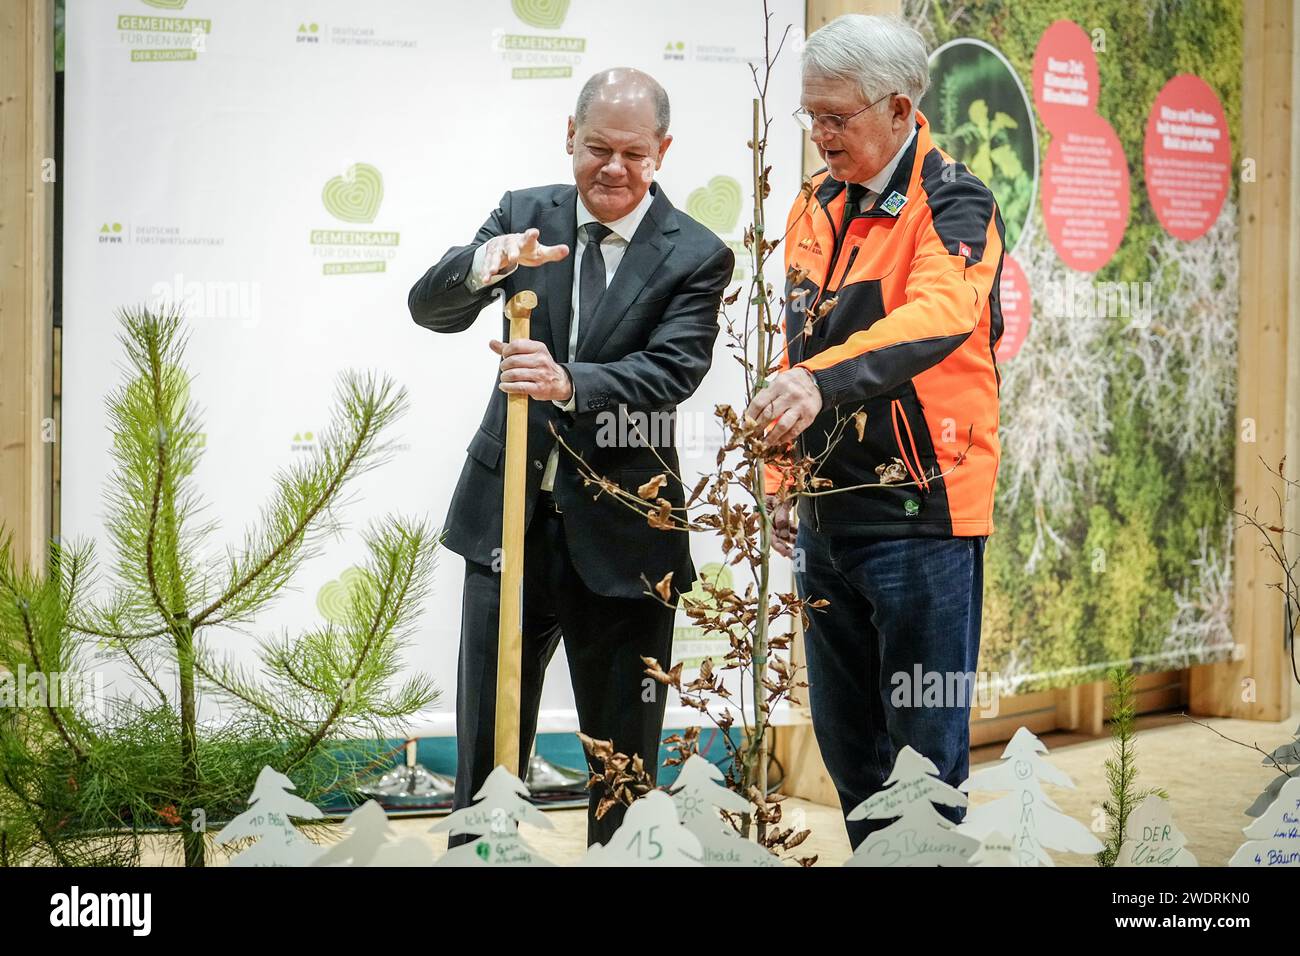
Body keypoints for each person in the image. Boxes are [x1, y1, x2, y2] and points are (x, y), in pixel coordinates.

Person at [408, 67, 734, 846]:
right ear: (569, 137)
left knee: (621, 767)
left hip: (626, 538)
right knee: (489, 757)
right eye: (596, 148)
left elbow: (674, 371)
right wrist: (490, 261)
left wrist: (566, 382)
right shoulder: (525, 217)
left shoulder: (696, 252)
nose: (612, 168)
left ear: (662, 151)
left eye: (633, 152)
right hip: (505, 527)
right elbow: (429, 308)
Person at [745, 14, 1004, 849]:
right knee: (851, 755)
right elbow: (797, 346)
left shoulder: (954, 200)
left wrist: (819, 382)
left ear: (898, 108)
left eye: (837, 118)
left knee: (922, 762)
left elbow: (941, 315)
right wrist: (785, 482)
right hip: (827, 515)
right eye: (811, 117)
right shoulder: (813, 202)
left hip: (920, 518)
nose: (820, 137)